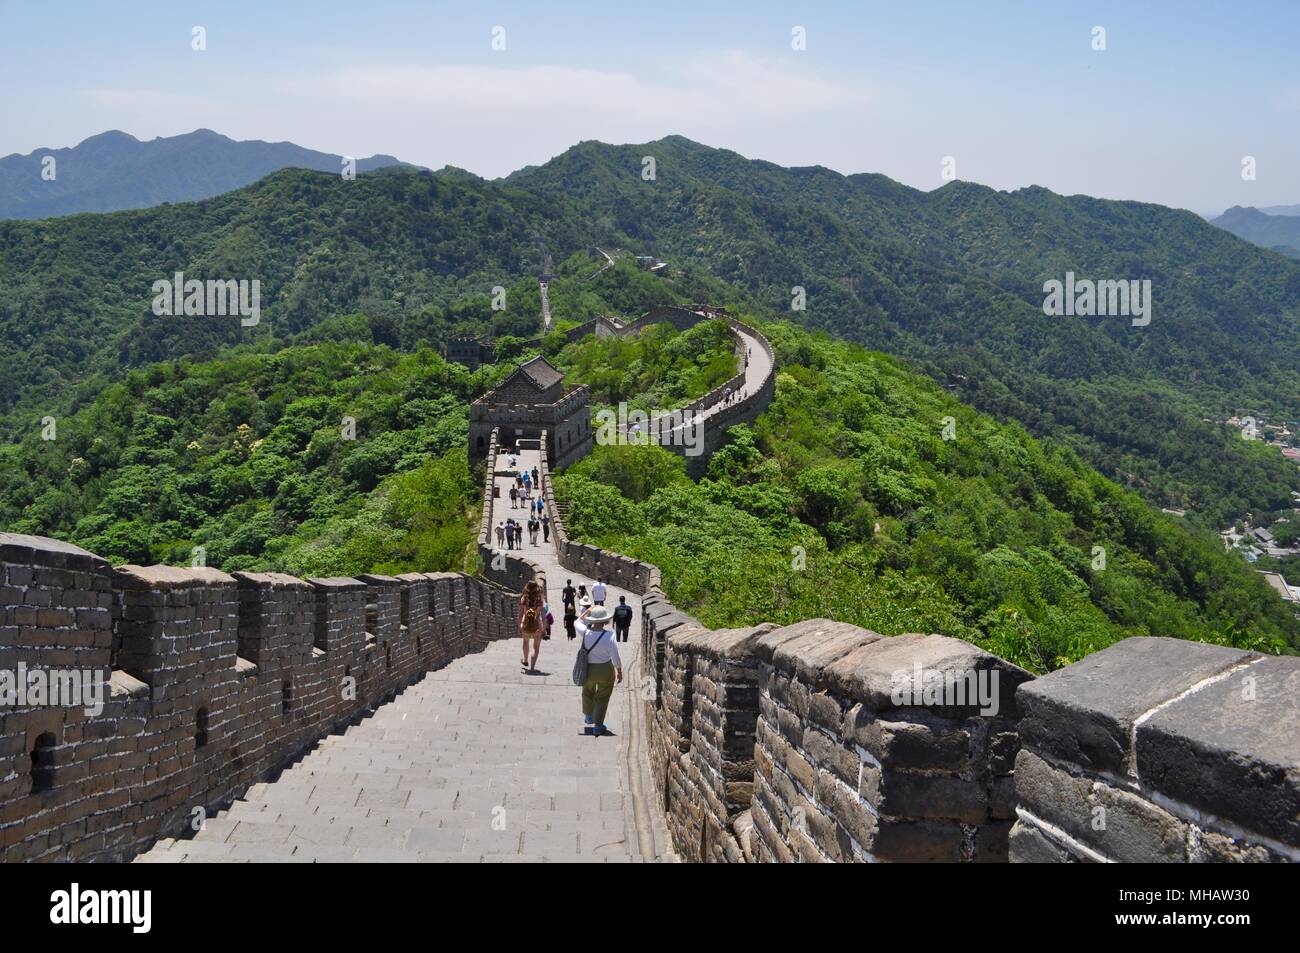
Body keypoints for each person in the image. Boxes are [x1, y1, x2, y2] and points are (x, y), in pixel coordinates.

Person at [575, 604, 622, 736]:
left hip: (588, 668)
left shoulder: (585, 632)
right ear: (605, 620)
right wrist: (619, 670)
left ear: (592, 620)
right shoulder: (610, 636)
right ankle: (598, 725)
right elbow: (615, 656)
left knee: (587, 691)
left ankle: (589, 715)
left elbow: (576, 622)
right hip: (605, 669)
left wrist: (587, 612)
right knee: (602, 697)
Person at [518, 579, 545, 672]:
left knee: (525, 642)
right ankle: (532, 667)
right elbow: (543, 615)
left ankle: (525, 660)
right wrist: (543, 627)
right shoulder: (540, 600)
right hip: (536, 625)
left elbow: (521, 614)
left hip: (526, 624)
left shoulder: (524, 599)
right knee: (536, 647)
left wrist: (519, 626)